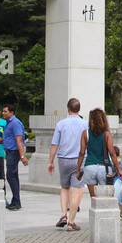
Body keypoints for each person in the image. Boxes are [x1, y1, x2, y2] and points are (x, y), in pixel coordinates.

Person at [46, 98, 87, 231]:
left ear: (68, 109)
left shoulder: (61, 124)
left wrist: (50, 161)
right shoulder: (85, 124)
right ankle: (71, 221)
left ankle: (63, 215)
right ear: (78, 109)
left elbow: (54, 144)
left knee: (64, 188)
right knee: (77, 190)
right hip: (79, 159)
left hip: (63, 159)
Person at [77, 107, 122, 202]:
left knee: (94, 199)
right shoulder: (106, 134)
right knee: (105, 198)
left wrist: (78, 170)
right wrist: (118, 170)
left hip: (89, 167)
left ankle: (95, 215)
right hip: (104, 168)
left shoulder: (85, 134)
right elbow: (112, 153)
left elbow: (81, 153)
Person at [1, 103, 27, 210]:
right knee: (13, 176)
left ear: (11, 113)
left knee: (11, 176)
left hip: (14, 152)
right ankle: (15, 200)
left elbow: (18, 140)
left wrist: (22, 156)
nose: (3, 113)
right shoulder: (8, 123)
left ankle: (16, 201)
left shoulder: (15, 123)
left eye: (5, 111)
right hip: (9, 151)